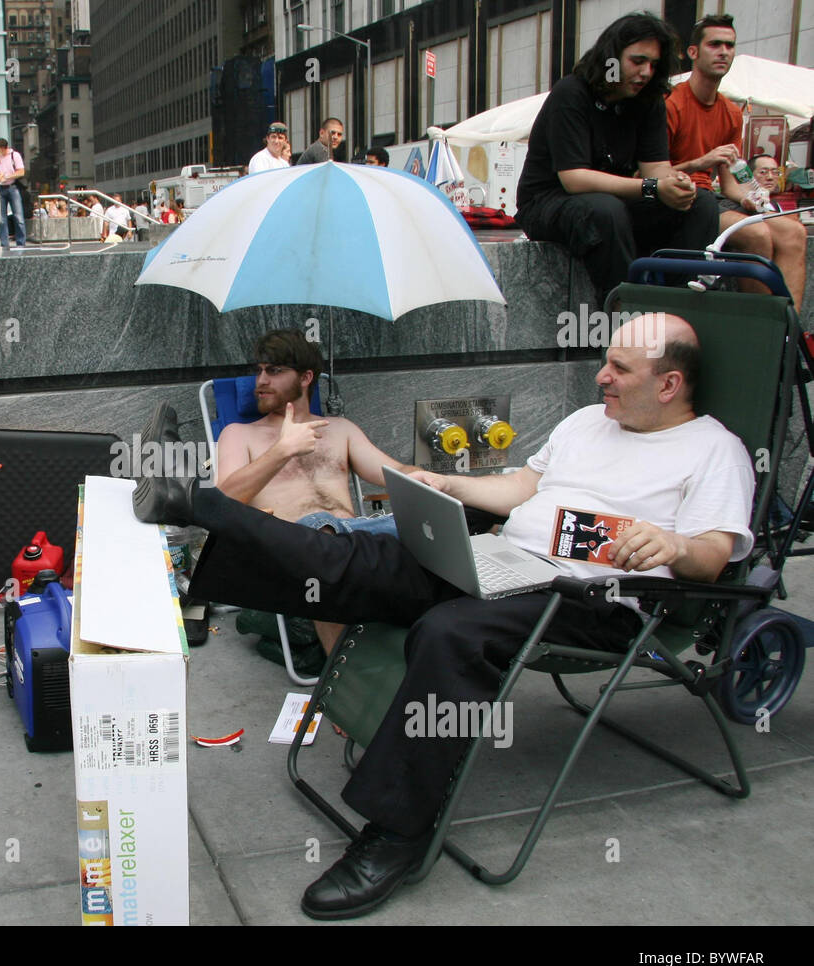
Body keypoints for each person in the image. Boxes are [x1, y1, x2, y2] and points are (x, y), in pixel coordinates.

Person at [133, 313, 754, 919]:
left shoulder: (713, 451)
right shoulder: (590, 421)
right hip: (505, 555)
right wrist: (447, 486)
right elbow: (519, 490)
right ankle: (198, 508)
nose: (601, 377)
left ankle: (397, 835)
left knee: (449, 630)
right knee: (350, 556)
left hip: (595, 599)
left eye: (618, 368)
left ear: (669, 384)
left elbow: (713, 557)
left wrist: (674, 547)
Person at [215, 329, 412, 650]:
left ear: (306, 377)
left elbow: (394, 473)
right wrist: (282, 450)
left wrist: (426, 480)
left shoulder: (341, 429)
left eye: (274, 371)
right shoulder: (239, 434)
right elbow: (222, 504)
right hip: (292, 552)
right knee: (319, 536)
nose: (260, 380)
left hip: (357, 541)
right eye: (259, 370)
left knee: (443, 529)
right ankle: (347, 676)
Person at [514, 13, 717, 301]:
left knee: (702, 202)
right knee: (606, 211)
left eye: (654, 64)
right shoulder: (572, 93)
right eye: (637, 61)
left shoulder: (649, 100)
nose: (646, 72)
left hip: (613, 203)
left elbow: (656, 168)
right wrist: (651, 187)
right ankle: (624, 313)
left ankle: (680, 303)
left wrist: (675, 184)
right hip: (548, 202)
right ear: (611, 58)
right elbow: (574, 179)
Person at [665, 15, 805, 311]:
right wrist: (701, 161)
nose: (724, 52)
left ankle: (786, 333)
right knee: (756, 233)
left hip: (714, 200)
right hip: (680, 202)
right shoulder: (672, 103)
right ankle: (759, 327)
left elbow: (729, 185)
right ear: (693, 52)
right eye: (714, 44)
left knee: (794, 231)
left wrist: (751, 199)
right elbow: (648, 175)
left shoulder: (730, 111)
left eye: (729, 45)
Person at [0, 138, 26, 249]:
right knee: (2, 219)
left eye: (0, 150)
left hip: (12, 187)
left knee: (18, 216)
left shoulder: (14, 155)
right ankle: (4, 243)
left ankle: (21, 243)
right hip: (1, 188)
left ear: (4, 148)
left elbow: (21, 171)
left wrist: (7, 176)